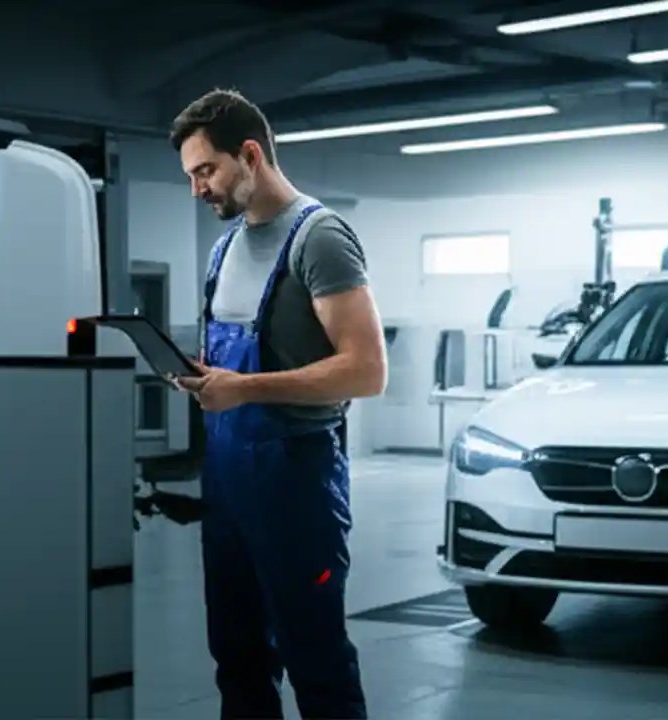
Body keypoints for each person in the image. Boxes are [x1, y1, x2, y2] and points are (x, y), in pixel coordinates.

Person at [168, 88, 385, 719]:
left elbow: (366, 370)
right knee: (236, 660)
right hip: (229, 481)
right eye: (189, 176)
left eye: (205, 170)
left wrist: (247, 388)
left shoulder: (320, 239)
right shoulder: (223, 249)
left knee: (315, 658)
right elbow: (232, 367)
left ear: (251, 155)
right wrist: (201, 378)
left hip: (297, 482)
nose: (197, 189)